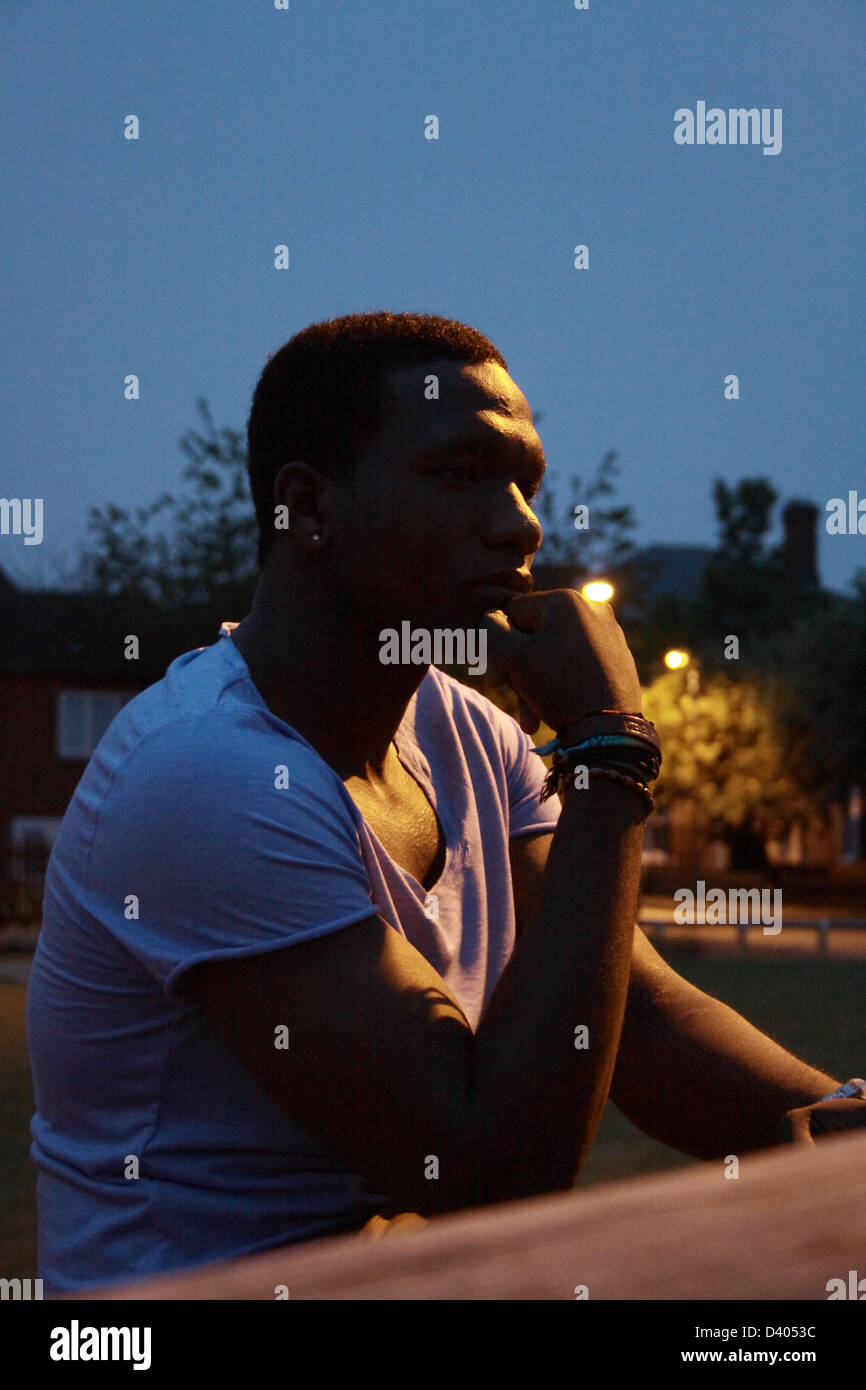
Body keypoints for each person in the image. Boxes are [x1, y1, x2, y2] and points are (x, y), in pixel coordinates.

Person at [26, 311, 865, 1295]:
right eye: (460, 474)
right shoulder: (207, 775)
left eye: (524, 483)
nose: (521, 524)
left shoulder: (467, 731)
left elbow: (629, 1014)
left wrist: (833, 1114)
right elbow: (483, 1169)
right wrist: (604, 756)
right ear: (307, 508)